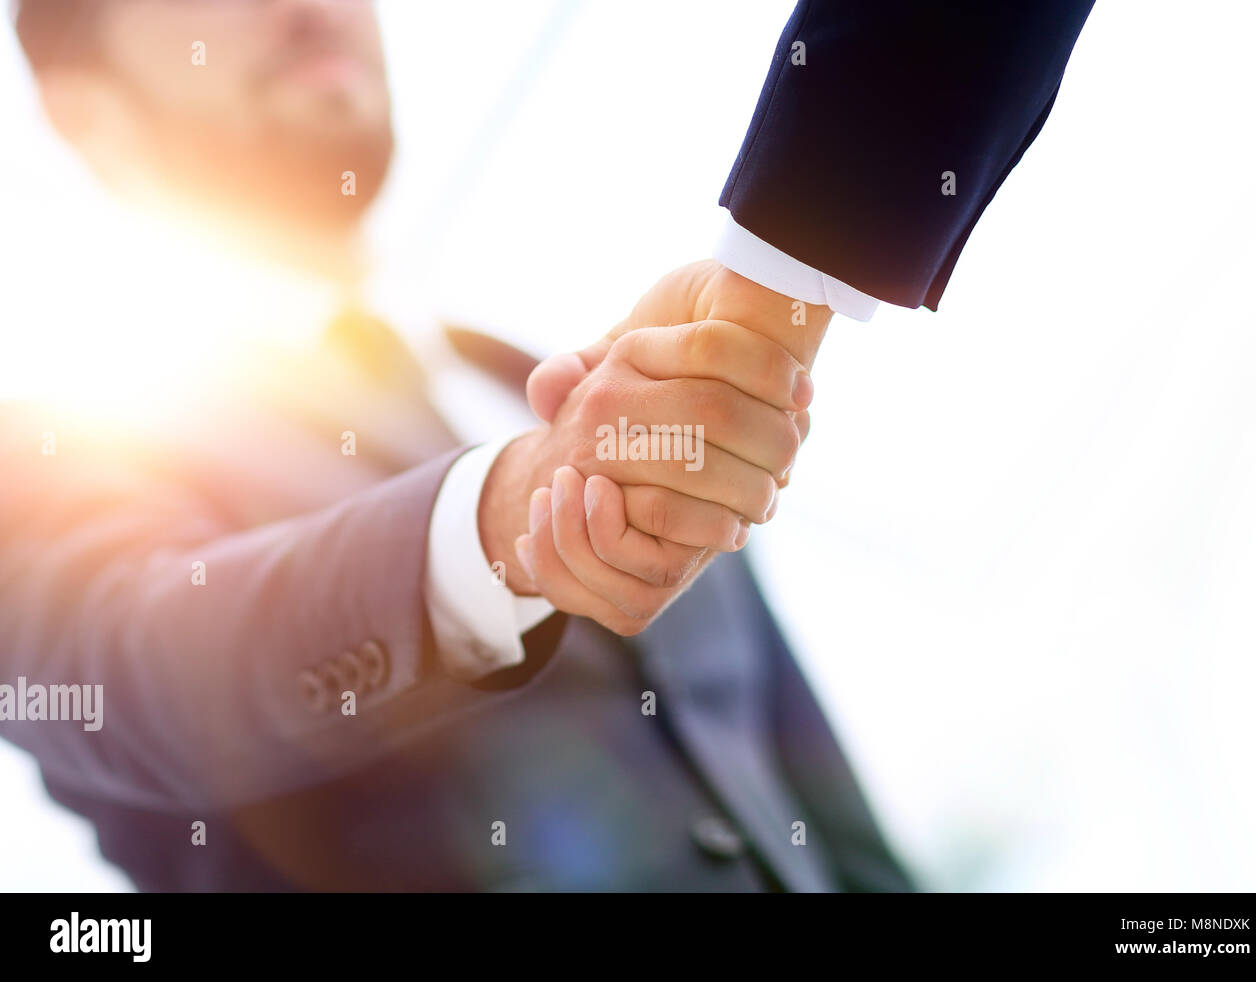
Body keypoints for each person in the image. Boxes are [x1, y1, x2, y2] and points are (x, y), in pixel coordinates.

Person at [0, 0, 1090, 891]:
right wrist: (508, 517)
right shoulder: (61, 450)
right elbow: (143, 675)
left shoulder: (561, 377)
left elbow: (808, 789)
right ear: (85, 111)